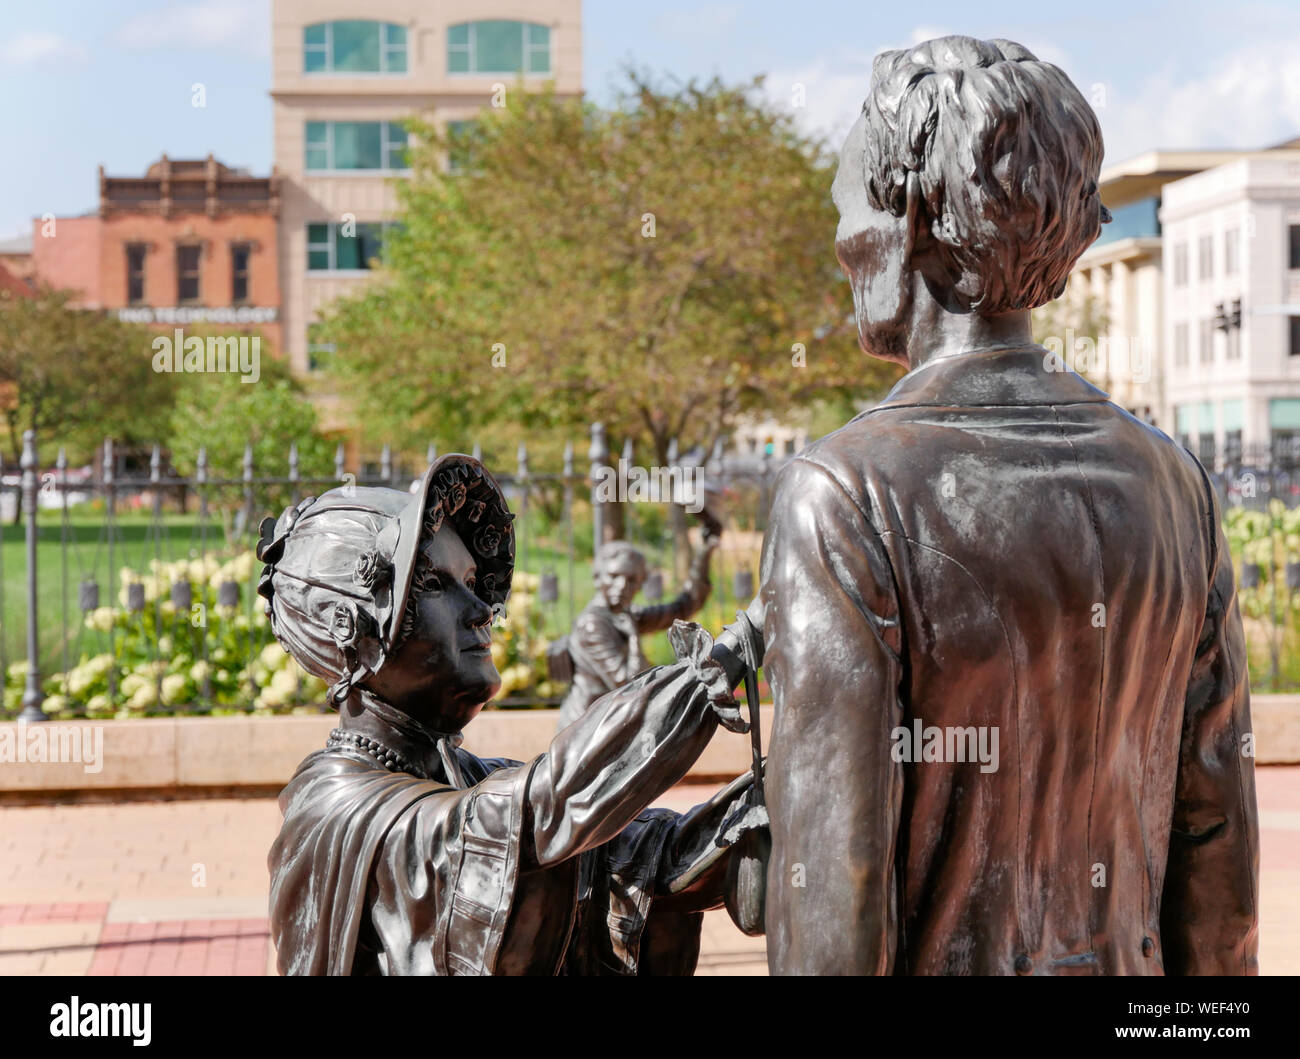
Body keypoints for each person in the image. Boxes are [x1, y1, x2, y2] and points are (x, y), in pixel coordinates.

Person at [756, 36, 1259, 975]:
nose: (839, 242)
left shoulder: (840, 495)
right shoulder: (1176, 485)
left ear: (907, 218)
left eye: (847, 209)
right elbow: (1219, 850)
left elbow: (832, 903)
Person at [259, 454, 755, 976]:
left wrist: (769, 807)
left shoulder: (463, 775)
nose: (479, 608)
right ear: (349, 627)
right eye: (435, 582)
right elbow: (533, 813)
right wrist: (730, 655)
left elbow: (646, 856)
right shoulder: (333, 806)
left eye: (472, 580)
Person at [554, 527, 717, 731]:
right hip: (583, 733)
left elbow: (683, 607)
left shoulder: (624, 615)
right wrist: (632, 636)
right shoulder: (593, 625)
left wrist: (703, 554)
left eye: (631, 580)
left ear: (640, 585)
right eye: (614, 576)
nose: (622, 586)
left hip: (608, 725)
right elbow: (631, 684)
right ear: (597, 578)